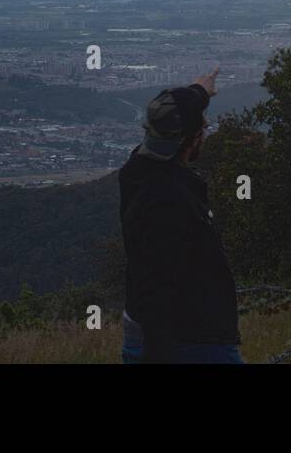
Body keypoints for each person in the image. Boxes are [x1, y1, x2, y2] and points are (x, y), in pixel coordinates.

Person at [118, 67, 243, 364]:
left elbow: (164, 117)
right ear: (193, 138)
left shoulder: (135, 172)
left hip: (153, 336)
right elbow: (157, 287)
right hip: (189, 342)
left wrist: (199, 93)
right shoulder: (170, 200)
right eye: (203, 128)